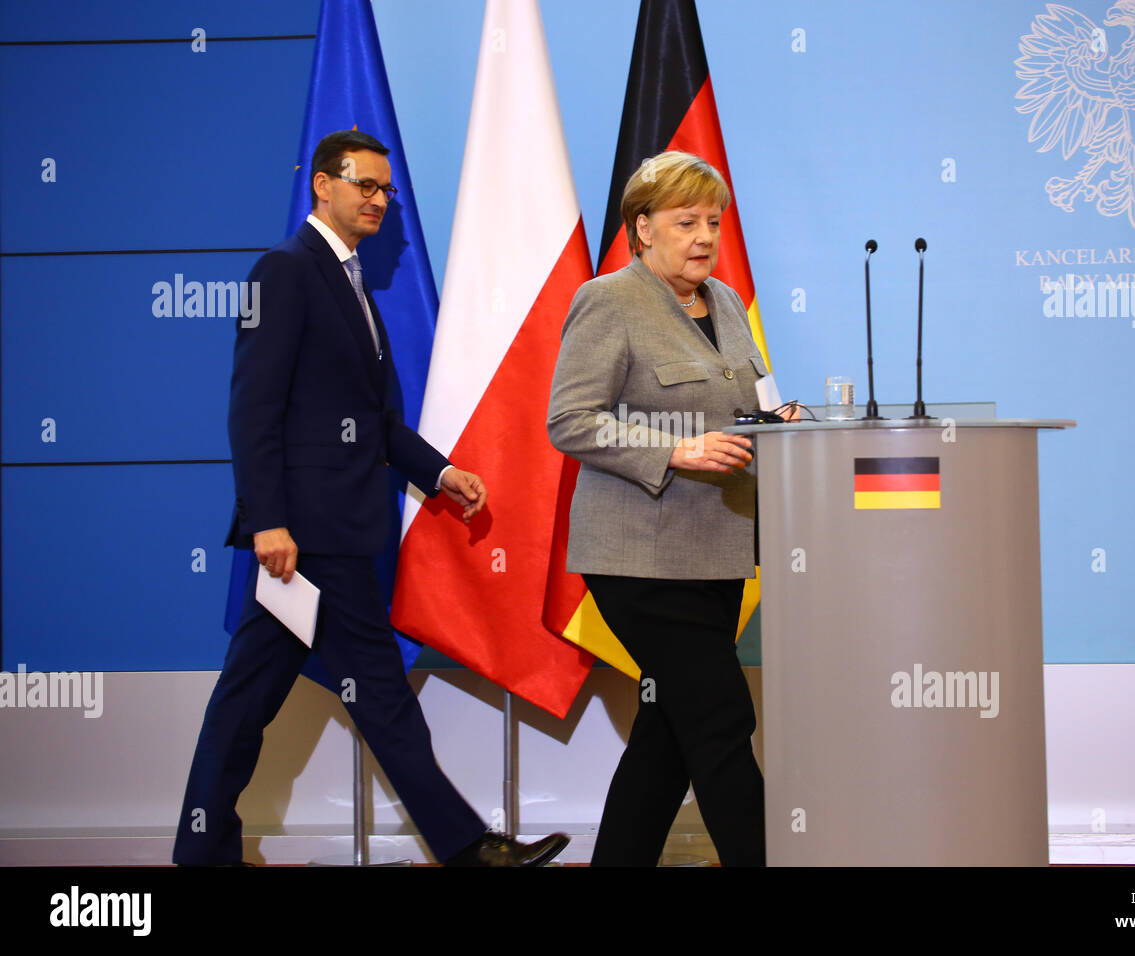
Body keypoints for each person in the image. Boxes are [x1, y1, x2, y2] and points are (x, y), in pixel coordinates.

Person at [173, 129, 567, 867]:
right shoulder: (285, 273)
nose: (381, 200)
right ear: (324, 185)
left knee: (248, 701)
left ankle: (201, 853)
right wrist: (270, 521)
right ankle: (466, 849)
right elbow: (253, 410)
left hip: (337, 532)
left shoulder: (351, 282)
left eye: (386, 189)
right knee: (376, 693)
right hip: (310, 538)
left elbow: (377, 421)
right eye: (366, 185)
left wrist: (441, 473)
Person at [548, 150, 774, 866]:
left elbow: (752, 404)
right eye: (687, 222)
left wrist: (782, 419)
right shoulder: (609, 300)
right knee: (719, 720)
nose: (706, 235)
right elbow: (571, 421)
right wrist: (676, 451)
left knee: (668, 729)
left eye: (713, 220)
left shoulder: (728, 302)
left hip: (719, 551)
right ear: (643, 229)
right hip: (639, 559)